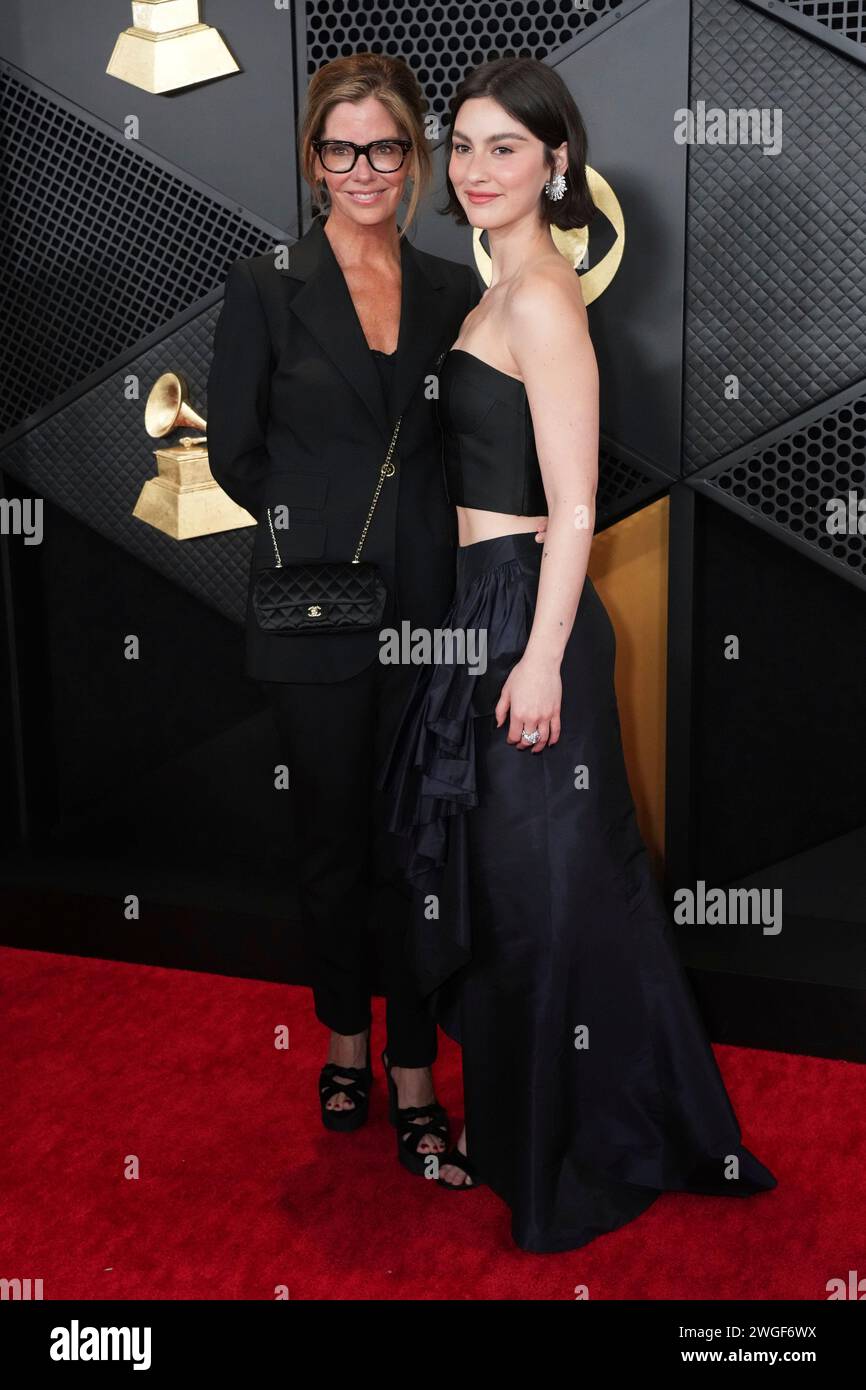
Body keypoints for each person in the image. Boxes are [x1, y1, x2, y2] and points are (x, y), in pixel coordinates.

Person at [378, 56, 777, 1253]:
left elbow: (573, 505)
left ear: (558, 161)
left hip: (525, 614)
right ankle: (532, 1128)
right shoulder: (487, 296)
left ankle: (590, 1138)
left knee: (550, 893)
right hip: (475, 607)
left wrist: (541, 656)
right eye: (460, 145)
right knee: (519, 893)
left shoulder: (544, 296)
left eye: (505, 146)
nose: (474, 168)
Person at [207, 52, 548, 1170]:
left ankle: (414, 1071)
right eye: (341, 148)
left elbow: (474, 443)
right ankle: (345, 1043)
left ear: (411, 161)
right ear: (315, 161)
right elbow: (235, 454)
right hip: (314, 617)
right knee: (331, 849)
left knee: (420, 849)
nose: (364, 168)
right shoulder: (265, 284)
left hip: (435, 613)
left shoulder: (455, 287)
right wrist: (321, 535)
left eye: (386, 148)